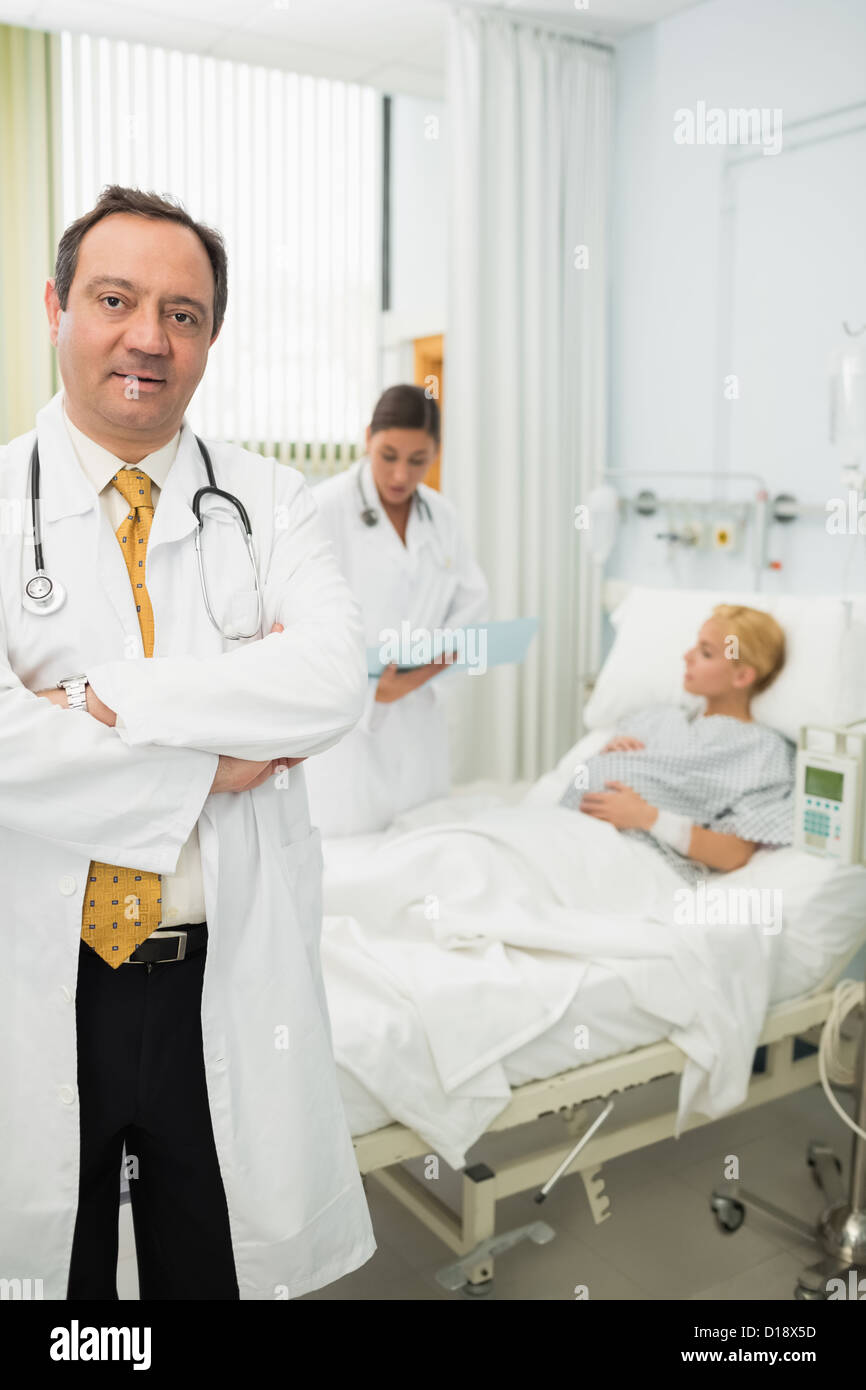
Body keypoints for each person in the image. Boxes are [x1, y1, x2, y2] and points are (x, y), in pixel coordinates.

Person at [0, 184, 376, 1300]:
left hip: (220, 972)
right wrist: (213, 757)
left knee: (205, 1273)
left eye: (184, 313)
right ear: (59, 305)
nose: (148, 337)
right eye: (116, 299)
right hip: (43, 973)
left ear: (210, 336)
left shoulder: (271, 501)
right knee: (51, 1289)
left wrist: (96, 698)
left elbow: (325, 680)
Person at [304, 385, 489, 836]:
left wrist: (416, 677)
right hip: (349, 721)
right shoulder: (325, 508)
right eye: (388, 456)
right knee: (348, 857)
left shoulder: (442, 517)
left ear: (436, 454)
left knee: (424, 848)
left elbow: (472, 610)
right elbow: (302, 618)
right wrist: (375, 688)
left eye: (418, 460)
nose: (401, 475)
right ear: (368, 438)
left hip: (419, 710)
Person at [561, 603, 795, 881]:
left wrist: (648, 817)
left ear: (742, 676)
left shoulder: (761, 750)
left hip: (634, 860)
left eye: (706, 653)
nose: (687, 656)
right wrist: (609, 754)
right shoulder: (656, 718)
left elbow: (734, 854)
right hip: (569, 831)